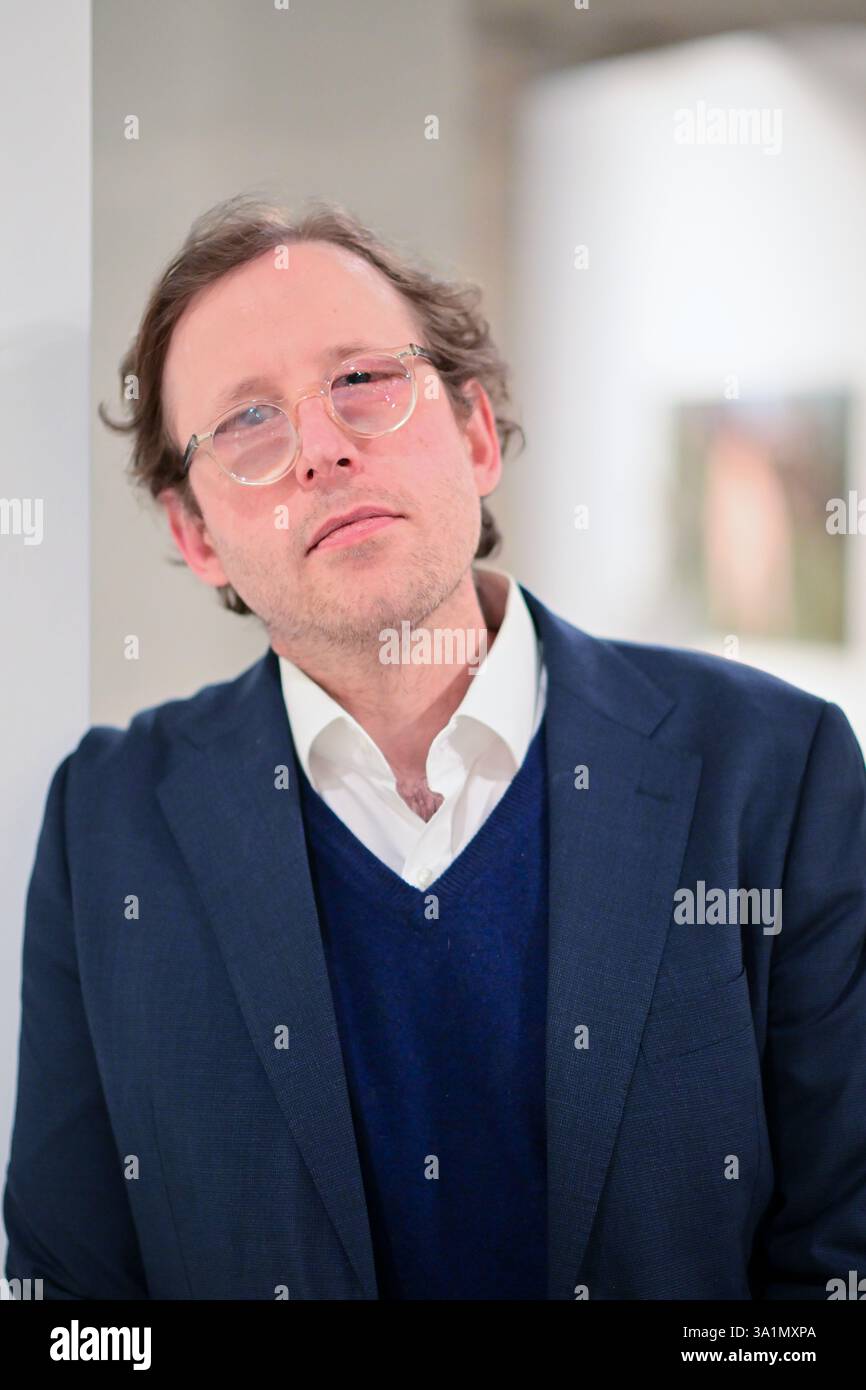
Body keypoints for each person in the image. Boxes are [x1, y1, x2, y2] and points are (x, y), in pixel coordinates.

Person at [4, 195, 866, 1301]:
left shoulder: (775, 772)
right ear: (195, 534)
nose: (320, 446)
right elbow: (70, 1294)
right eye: (248, 423)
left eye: (361, 380)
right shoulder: (107, 821)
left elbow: (840, 1263)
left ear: (469, 430)